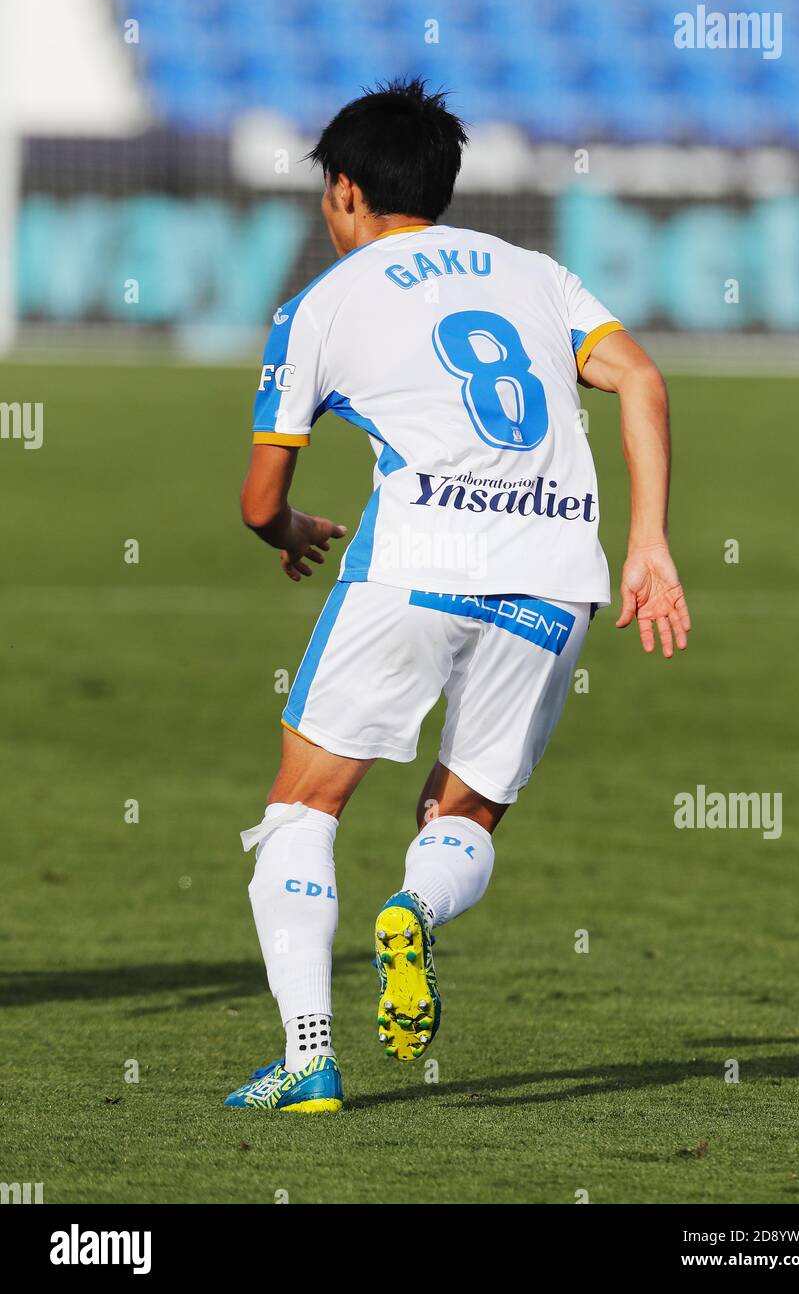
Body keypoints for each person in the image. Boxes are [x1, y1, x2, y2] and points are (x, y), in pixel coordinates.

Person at [224, 78, 690, 1113]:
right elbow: (643, 381)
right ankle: (413, 911)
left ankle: (308, 1058)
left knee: (302, 807)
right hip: (554, 573)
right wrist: (647, 543)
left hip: (412, 567)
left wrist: (287, 529)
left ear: (345, 190)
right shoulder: (533, 273)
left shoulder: (318, 305)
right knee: (466, 811)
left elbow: (261, 498)